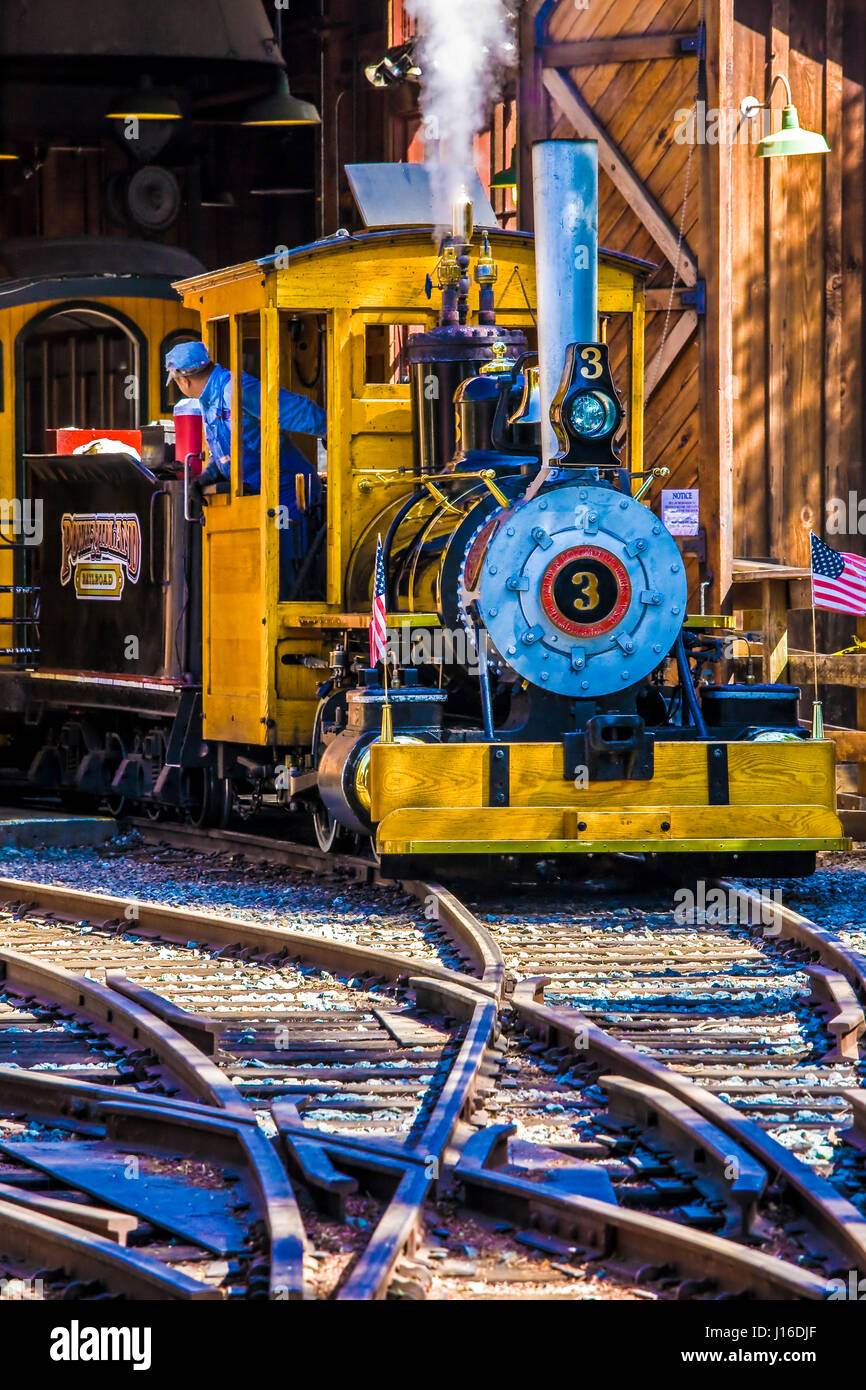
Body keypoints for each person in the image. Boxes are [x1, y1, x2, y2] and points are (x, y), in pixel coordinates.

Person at [165, 340, 327, 595]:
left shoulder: (234, 389)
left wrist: (331, 428)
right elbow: (228, 451)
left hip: (288, 489)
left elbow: (291, 409)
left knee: (286, 573)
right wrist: (208, 476)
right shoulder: (209, 400)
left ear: (183, 381)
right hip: (261, 492)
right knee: (270, 573)